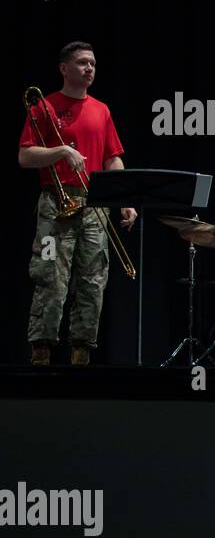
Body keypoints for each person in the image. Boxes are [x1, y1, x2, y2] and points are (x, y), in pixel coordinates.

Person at [19, 42, 137, 366]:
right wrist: (61, 152)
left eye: (93, 64)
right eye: (83, 63)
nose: (89, 69)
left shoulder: (102, 109)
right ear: (64, 68)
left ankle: (81, 357)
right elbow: (25, 156)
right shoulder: (45, 106)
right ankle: (41, 355)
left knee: (93, 280)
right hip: (54, 204)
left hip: (94, 205)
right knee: (49, 277)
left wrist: (124, 198)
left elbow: (113, 158)